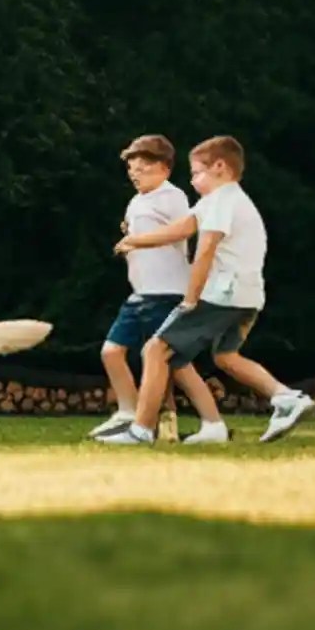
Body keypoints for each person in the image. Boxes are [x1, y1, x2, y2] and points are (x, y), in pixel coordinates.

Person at [100, 135, 315, 445]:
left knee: (155, 349)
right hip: (248, 296)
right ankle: (285, 399)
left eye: (197, 172)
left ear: (220, 167)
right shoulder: (221, 201)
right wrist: (135, 240)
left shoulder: (222, 201)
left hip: (223, 294)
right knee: (227, 357)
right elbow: (181, 229)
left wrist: (190, 298)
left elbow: (204, 251)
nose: (192, 179)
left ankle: (141, 430)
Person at [90, 135, 230, 444]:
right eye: (131, 168)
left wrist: (137, 239)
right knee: (112, 352)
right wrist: (130, 234)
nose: (135, 173)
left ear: (164, 168)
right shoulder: (137, 201)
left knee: (176, 364)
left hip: (166, 292)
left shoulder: (172, 196)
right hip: (140, 293)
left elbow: (180, 231)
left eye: (142, 167)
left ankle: (213, 423)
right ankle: (127, 411)